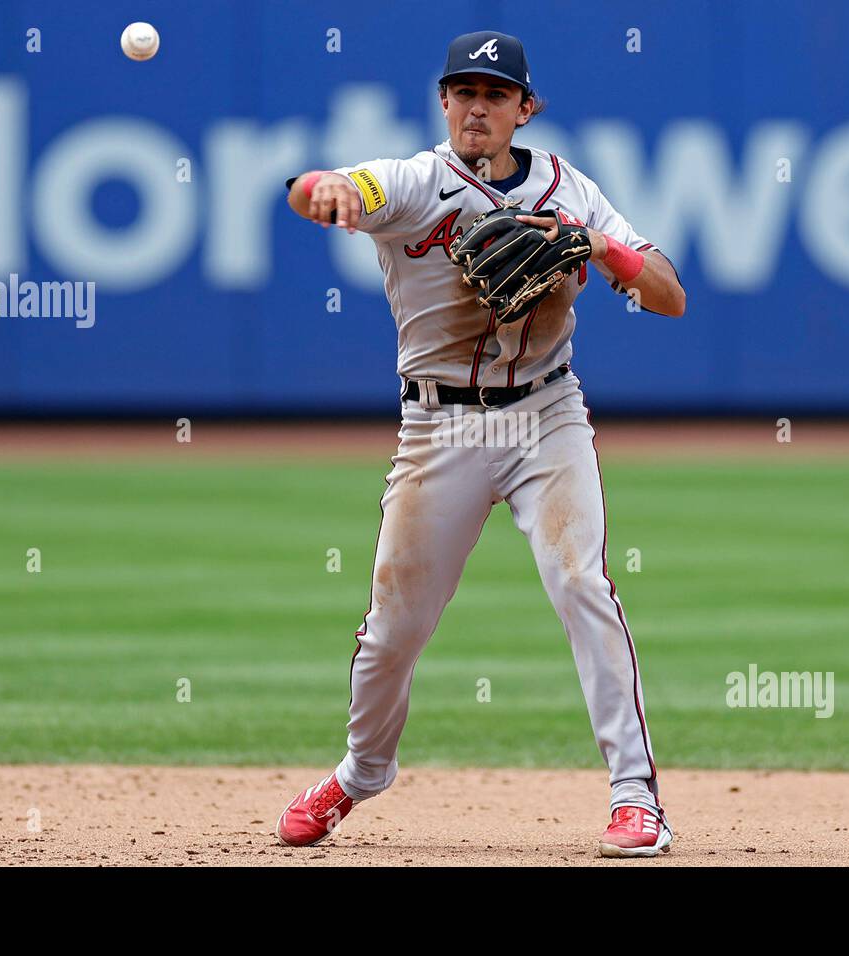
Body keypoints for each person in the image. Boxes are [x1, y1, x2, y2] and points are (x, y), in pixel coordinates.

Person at [276, 30, 686, 858]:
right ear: (443, 102)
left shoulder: (571, 188)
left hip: (546, 414)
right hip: (440, 425)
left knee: (582, 582)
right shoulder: (414, 182)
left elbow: (669, 295)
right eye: (463, 91)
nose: (476, 106)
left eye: (495, 94)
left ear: (524, 109)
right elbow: (317, 186)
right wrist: (327, 194)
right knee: (394, 626)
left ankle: (637, 798)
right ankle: (359, 774)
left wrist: (598, 246)